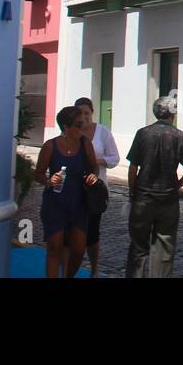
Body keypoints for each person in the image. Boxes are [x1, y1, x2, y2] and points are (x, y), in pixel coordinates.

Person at [125, 97, 183, 278]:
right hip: (168, 197)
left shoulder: (142, 134)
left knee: (138, 245)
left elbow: (133, 168)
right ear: (172, 113)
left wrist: (132, 190)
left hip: (144, 195)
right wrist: (178, 184)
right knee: (165, 245)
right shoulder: (180, 136)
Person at [35, 105, 100, 278]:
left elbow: (94, 166)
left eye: (83, 123)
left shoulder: (85, 143)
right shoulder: (50, 146)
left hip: (78, 201)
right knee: (55, 247)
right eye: (78, 125)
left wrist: (93, 176)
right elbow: (38, 174)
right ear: (66, 126)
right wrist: (49, 181)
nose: (82, 127)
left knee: (78, 250)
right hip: (55, 202)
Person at [74, 97, 120, 276]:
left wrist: (97, 161)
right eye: (80, 113)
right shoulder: (73, 132)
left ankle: (94, 269)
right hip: (75, 189)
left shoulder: (103, 133)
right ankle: (72, 266)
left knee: (92, 232)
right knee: (74, 231)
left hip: (95, 191)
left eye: (87, 113)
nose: (84, 117)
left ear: (92, 113)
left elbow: (114, 158)